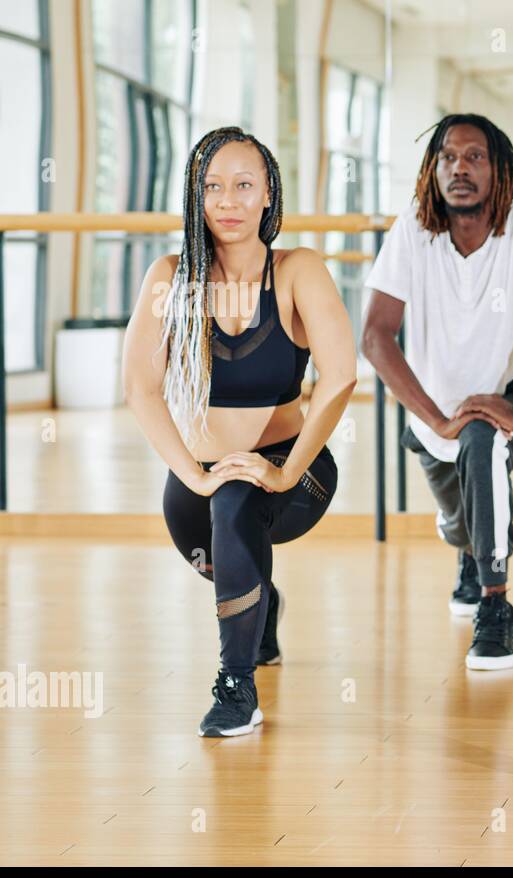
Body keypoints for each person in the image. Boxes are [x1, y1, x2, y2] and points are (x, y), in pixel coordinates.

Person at [123, 127, 357, 736]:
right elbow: (141, 388)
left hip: (295, 473)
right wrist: (192, 476)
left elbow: (340, 378)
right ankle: (262, 608)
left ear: (268, 196)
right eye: (213, 187)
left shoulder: (299, 270)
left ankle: (237, 686)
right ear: (195, 198)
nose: (228, 201)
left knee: (239, 503)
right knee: (226, 539)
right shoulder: (168, 278)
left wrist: (282, 469)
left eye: (244, 185)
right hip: (200, 478)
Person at [360, 113, 513, 669]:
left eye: (474, 157)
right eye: (448, 157)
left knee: (482, 441)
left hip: (510, 395)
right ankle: (467, 548)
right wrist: (436, 420)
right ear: (433, 168)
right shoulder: (413, 230)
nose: (459, 168)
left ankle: (497, 607)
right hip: (432, 408)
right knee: (459, 518)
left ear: (499, 169)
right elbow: (374, 336)